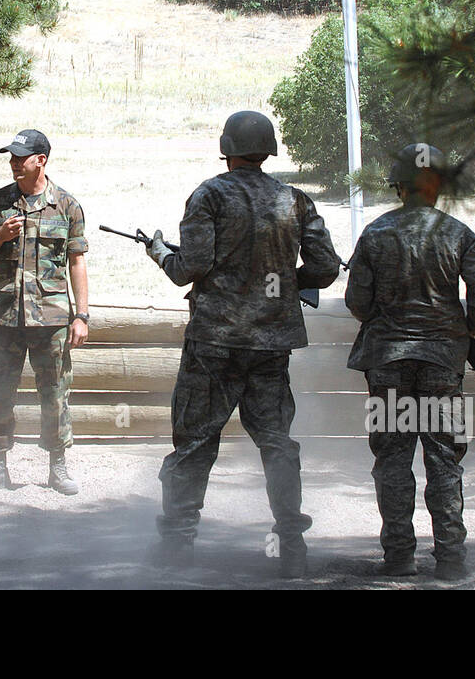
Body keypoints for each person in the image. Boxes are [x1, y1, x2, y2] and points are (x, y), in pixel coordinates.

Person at [145, 110, 341, 577]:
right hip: (270, 346)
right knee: (276, 443)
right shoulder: (295, 200)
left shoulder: (209, 195)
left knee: (194, 444)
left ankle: (177, 547)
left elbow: (188, 268)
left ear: (227, 148)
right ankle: (292, 545)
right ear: (267, 150)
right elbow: (327, 267)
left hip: (214, 342)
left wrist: (157, 251)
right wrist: (286, 283)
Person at [345, 143, 475, 581]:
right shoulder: (460, 234)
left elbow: (357, 303)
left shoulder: (375, 235)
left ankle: (399, 557)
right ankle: (450, 559)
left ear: (398, 186)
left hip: (388, 364)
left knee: (393, 458)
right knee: (445, 458)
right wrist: (471, 327)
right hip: (443, 365)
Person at [0, 129, 89, 495]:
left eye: (22, 158)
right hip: (4, 317)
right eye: (11, 158)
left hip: (51, 320)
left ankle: (58, 466)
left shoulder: (66, 205)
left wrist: (81, 315)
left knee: (54, 393)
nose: (15, 164)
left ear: (42, 160)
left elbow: (77, 261)